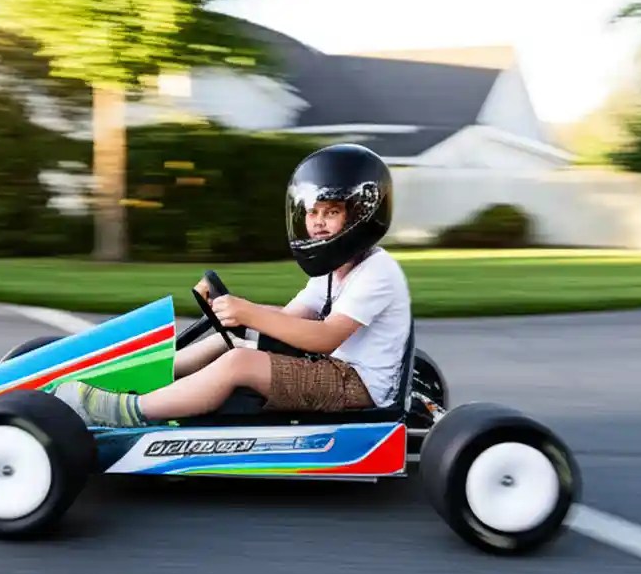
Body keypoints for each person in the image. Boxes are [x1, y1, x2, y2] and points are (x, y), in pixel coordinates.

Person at [52, 143, 412, 428]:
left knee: (240, 361)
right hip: (332, 368)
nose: (317, 223)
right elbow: (290, 321)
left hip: (355, 386)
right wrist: (236, 309)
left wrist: (249, 313)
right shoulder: (332, 270)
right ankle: (130, 376)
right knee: (222, 346)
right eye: (312, 212)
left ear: (362, 215)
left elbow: (324, 337)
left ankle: (129, 410)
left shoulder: (377, 272)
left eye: (331, 213)